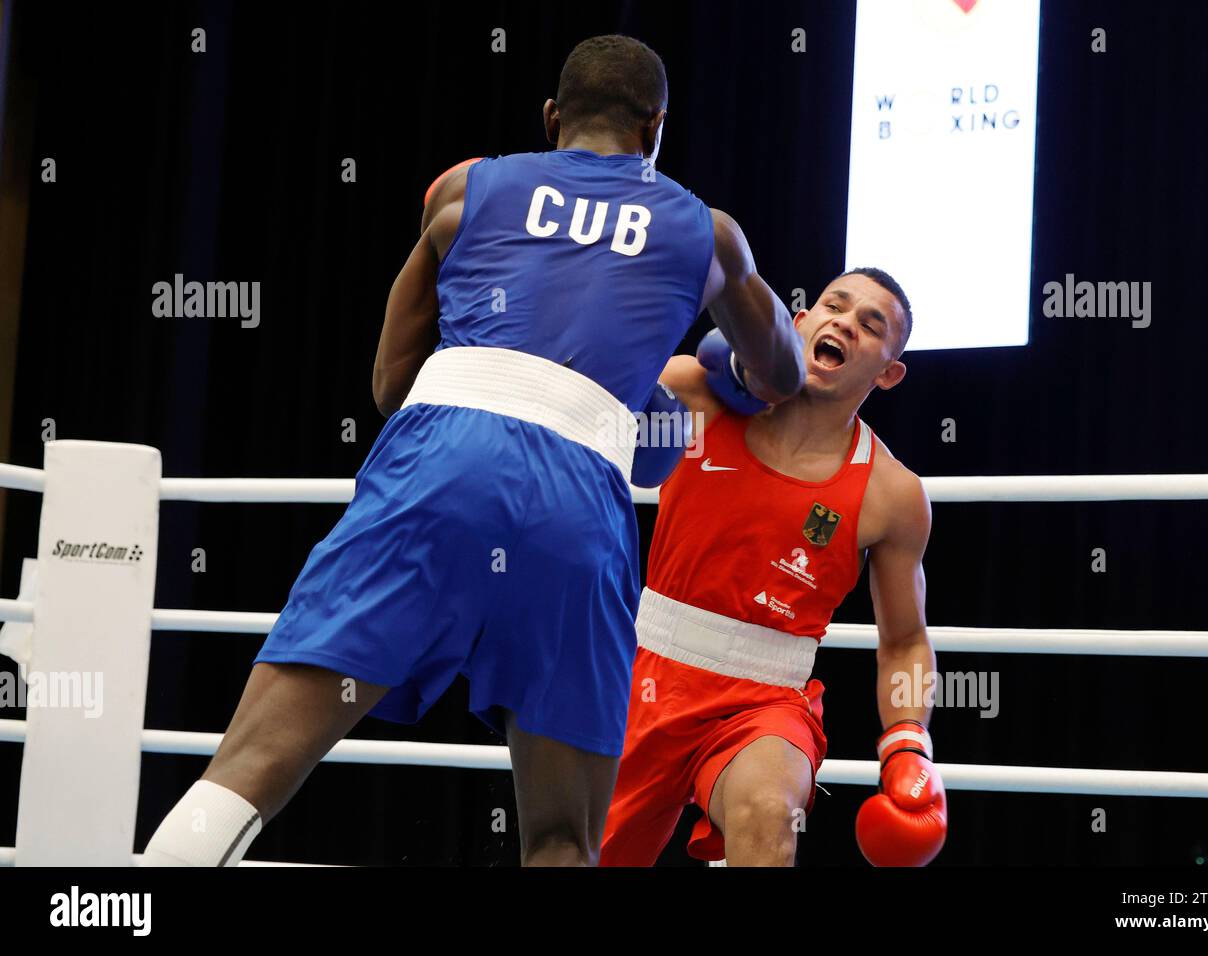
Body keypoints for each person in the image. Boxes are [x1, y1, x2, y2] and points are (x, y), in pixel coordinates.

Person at [141, 34, 804, 867]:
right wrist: (715, 372)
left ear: (552, 117)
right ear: (656, 129)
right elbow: (779, 371)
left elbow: (389, 385)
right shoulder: (708, 235)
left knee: (249, 768)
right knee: (562, 837)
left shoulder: (463, 189)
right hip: (576, 503)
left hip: (436, 463)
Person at [599, 268, 947, 866]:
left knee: (768, 812)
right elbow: (593, 408)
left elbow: (905, 640)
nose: (845, 322)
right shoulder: (698, 395)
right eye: (834, 306)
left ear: (889, 372)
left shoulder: (891, 495)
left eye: (871, 325)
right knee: (577, 854)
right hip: (642, 673)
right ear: (801, 322)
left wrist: (908, 739)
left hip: (764, 702)